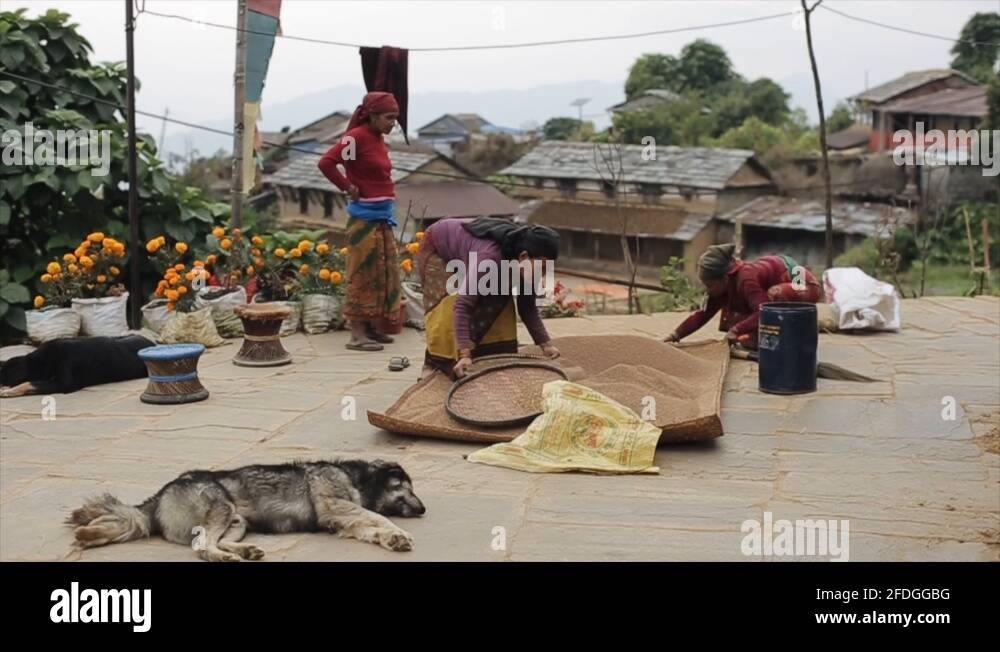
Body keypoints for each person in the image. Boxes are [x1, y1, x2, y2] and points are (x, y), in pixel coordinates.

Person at [417, 217, 561, 378]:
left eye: (547, 267)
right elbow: (462, 305)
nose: (543, 273)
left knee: (499, 298)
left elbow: (527, 307)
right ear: (524, 256)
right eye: (541, 266)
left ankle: (487, 353)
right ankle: (434, 361)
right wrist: (464, 354)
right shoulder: (489, 257)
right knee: (448, 301)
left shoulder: (528, 267)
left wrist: (545, 345)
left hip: (477, 255)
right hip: (438, 245)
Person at [317, 91, 402, 351]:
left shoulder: (376, 139)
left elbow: (366, 169)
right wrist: (347, 186)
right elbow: (328, 162)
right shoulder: (357, 138)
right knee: (362, 273)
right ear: (372, 116)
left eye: (395, 119)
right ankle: (356, 334)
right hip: (363, 219)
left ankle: (372, 327)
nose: (393, 124)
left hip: (382, 217)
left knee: (382, 272)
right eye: (389, 118)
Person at [664, 243, 822, 347]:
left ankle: (790, 338)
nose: (709, 289)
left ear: (725, 278)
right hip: (775, 296)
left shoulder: (746, 278)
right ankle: (766, 337)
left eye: (711, 285)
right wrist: (675, 335)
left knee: (774, 296)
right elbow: (702, 314)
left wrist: (737, 329)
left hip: (803, 285)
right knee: (734, 322)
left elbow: (764, 309)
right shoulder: (720, 288)